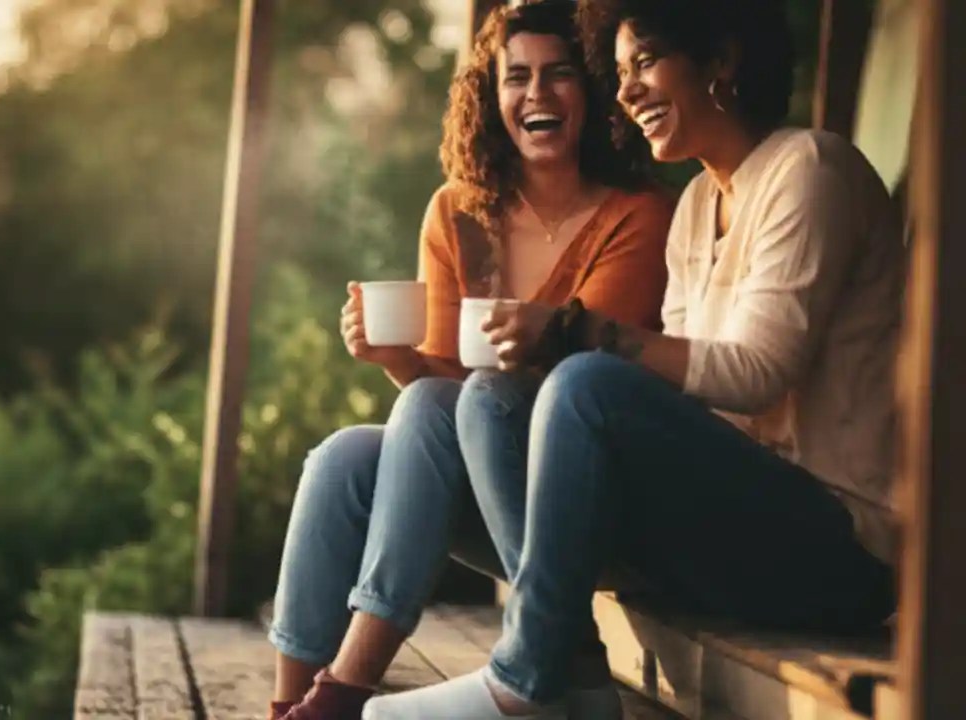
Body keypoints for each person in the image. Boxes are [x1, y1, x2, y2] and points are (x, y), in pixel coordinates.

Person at [361, 0, 903, 718]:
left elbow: (756, 372)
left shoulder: (810, 168)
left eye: (644, 63)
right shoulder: (696, 206)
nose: (625, 92)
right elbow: (692, 408)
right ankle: (573, 680)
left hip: (838, 553)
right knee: (485, 400)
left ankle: (526, 677)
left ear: (723, 61)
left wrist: (577, 333)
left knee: (586, 382)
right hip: (729, 530)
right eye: (618, 74)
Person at [266, 2, 675, 719]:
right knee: (342, 459)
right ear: (491, 98)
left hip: (588, 498)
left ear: (592, 92)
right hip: (491, 473)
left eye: (560, 75)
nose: (537, 94)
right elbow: (447, 402)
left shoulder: (636, 215)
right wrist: (396, 358)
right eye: (516, 77)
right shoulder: (459, 212)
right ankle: (289, 704)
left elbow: (579, 386)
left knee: (441, 403)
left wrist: (483, 365)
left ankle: (344, 691)